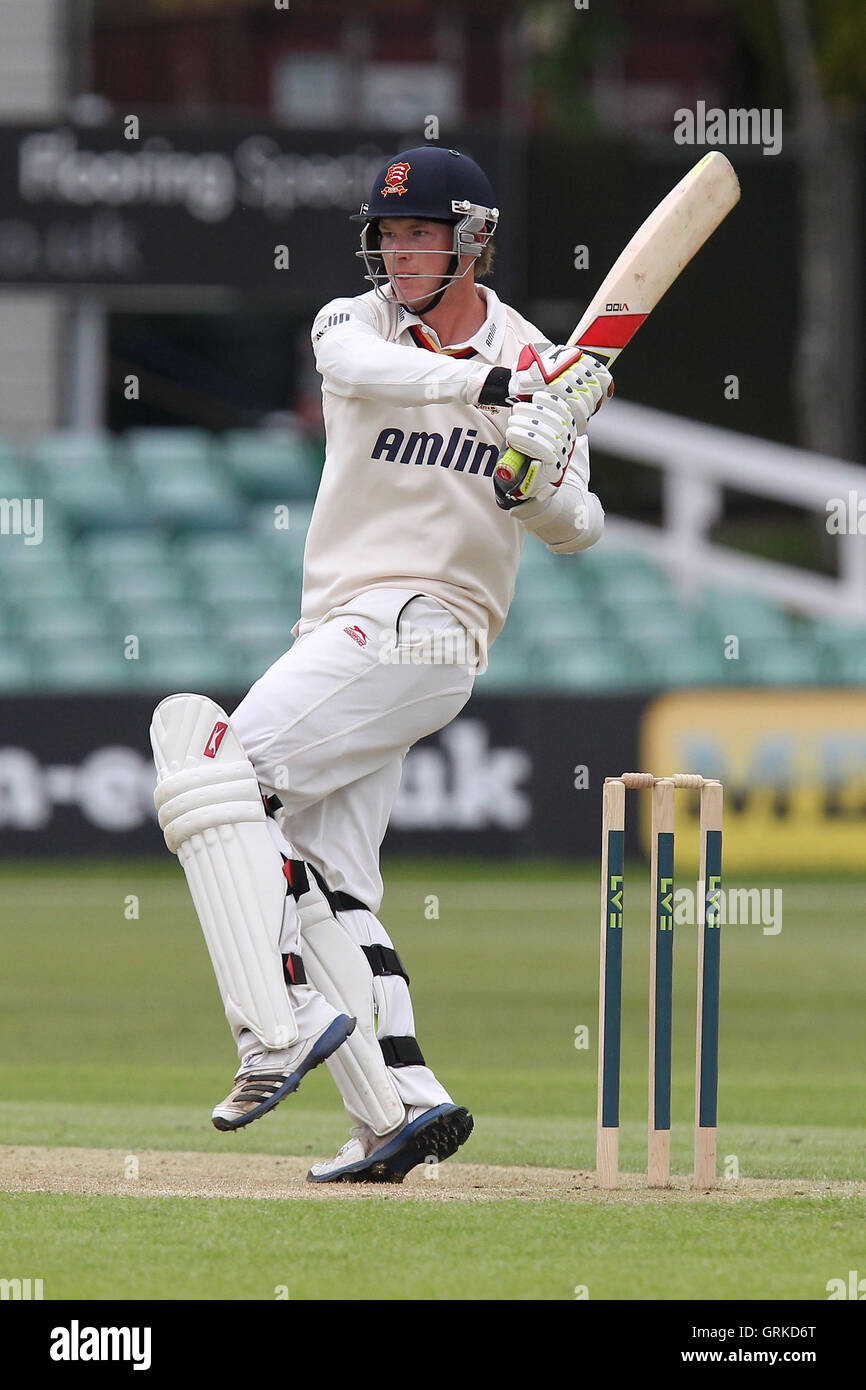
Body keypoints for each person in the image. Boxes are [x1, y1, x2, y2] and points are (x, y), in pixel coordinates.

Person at [150, 145, 612, 1183]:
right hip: (342, 629)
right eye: (388, 234)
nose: (398, 252)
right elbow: (357, 374)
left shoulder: (539, 356)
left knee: (213, 773)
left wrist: (532, 485)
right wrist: (490, 386)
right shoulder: (355, 325)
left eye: (420, 234)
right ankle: (399, 1104)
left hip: (430, 626)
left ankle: (275, 1020)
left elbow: (582, 522)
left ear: (471, 240)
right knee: (328, 878)